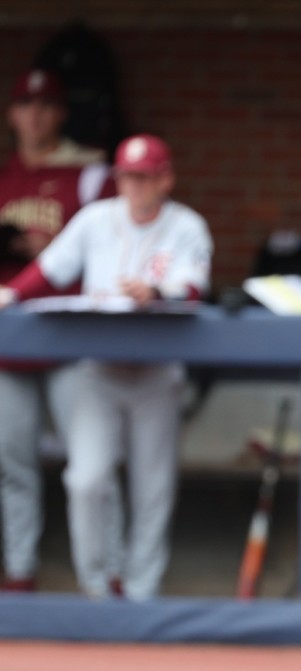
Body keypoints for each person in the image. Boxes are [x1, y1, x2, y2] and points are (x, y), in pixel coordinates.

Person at [0, 133, 213, 600]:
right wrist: (12, 293)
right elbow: (51, 269)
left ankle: (141, 591)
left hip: (158, 370)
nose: (133, 186)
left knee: (152, 487)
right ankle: (97, 588)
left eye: (143, 177)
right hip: (99, 371)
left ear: (165, 179)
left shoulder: (188, 226)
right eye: (127, 176)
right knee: (86, 478)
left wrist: (154, 293)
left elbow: (193, 289)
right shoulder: (96, 218)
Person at [0, 67, 115, 592]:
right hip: (10, 337)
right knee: (12, 464)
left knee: (90, 470)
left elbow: (111, 243)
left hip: (70, 336)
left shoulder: (89, 173)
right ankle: (20, 570)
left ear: (61, 112)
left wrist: (47, 252)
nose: (36, 115)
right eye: (26, 104)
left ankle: (104, 576)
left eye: (46, 105)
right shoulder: (5, 175)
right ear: (12, 114)